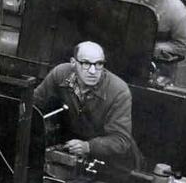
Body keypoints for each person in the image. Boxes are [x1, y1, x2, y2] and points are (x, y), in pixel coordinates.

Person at [33, 41, 139, 169]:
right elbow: (34, 104)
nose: (93, 71)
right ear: (73, 62)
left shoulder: (118, 90)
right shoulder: (60, 74)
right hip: (73, 151)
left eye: (99, 64)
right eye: (86, 63)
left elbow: (121, 139)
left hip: (114, 163)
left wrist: (88, 146)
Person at [118, 0, 186, 73]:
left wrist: (153, 47)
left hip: (157, 61)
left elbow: (182, 44)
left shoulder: (178, 13)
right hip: (124, 52)